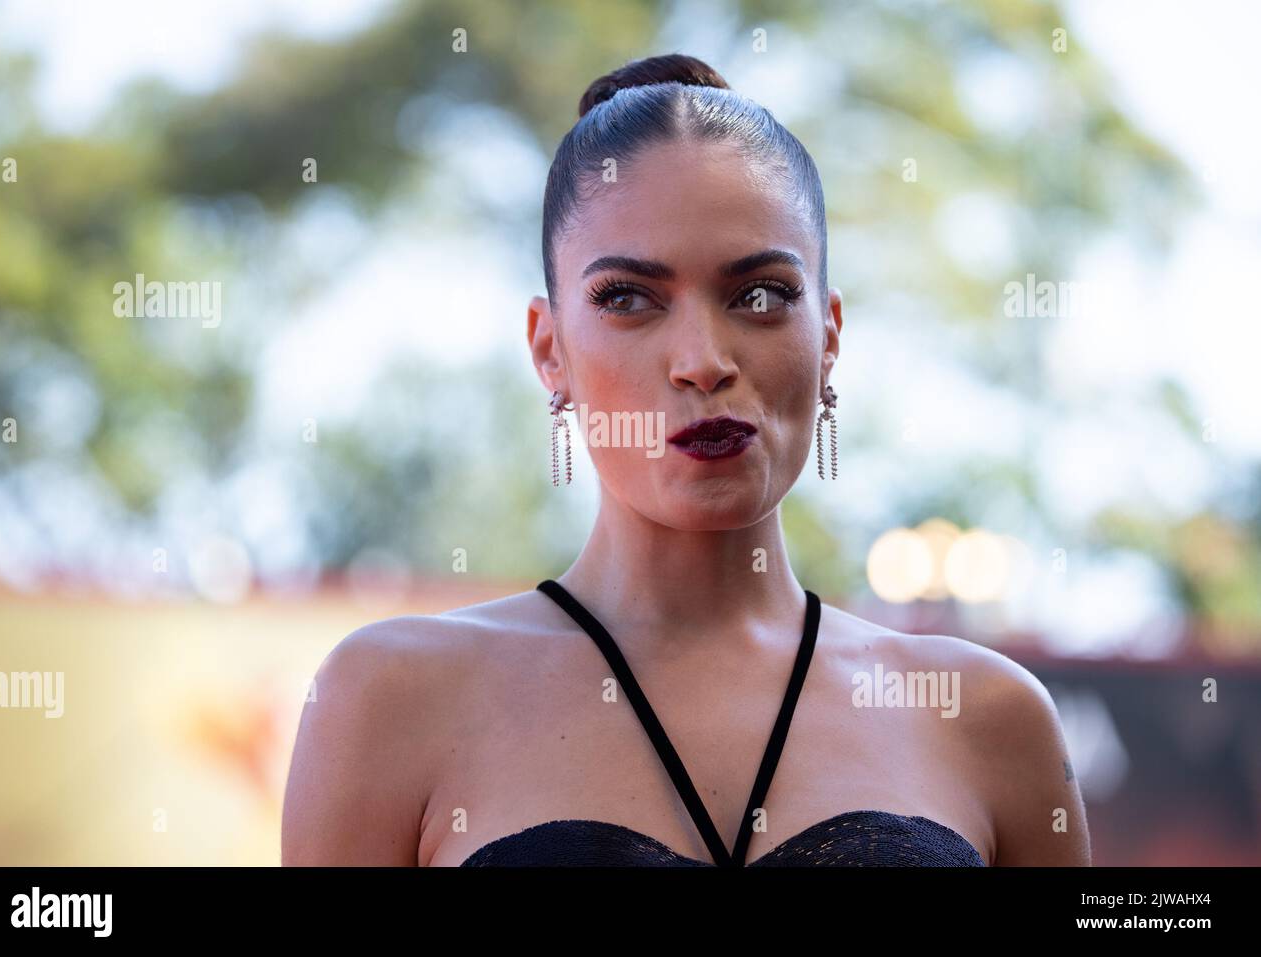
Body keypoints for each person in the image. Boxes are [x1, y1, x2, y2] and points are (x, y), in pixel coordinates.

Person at [281, 53, 1091, 867]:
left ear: (831, 335)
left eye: (760, 294)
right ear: (548, 348)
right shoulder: (388, 702)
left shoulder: (988, 718)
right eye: (628, 298)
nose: (702, 360)